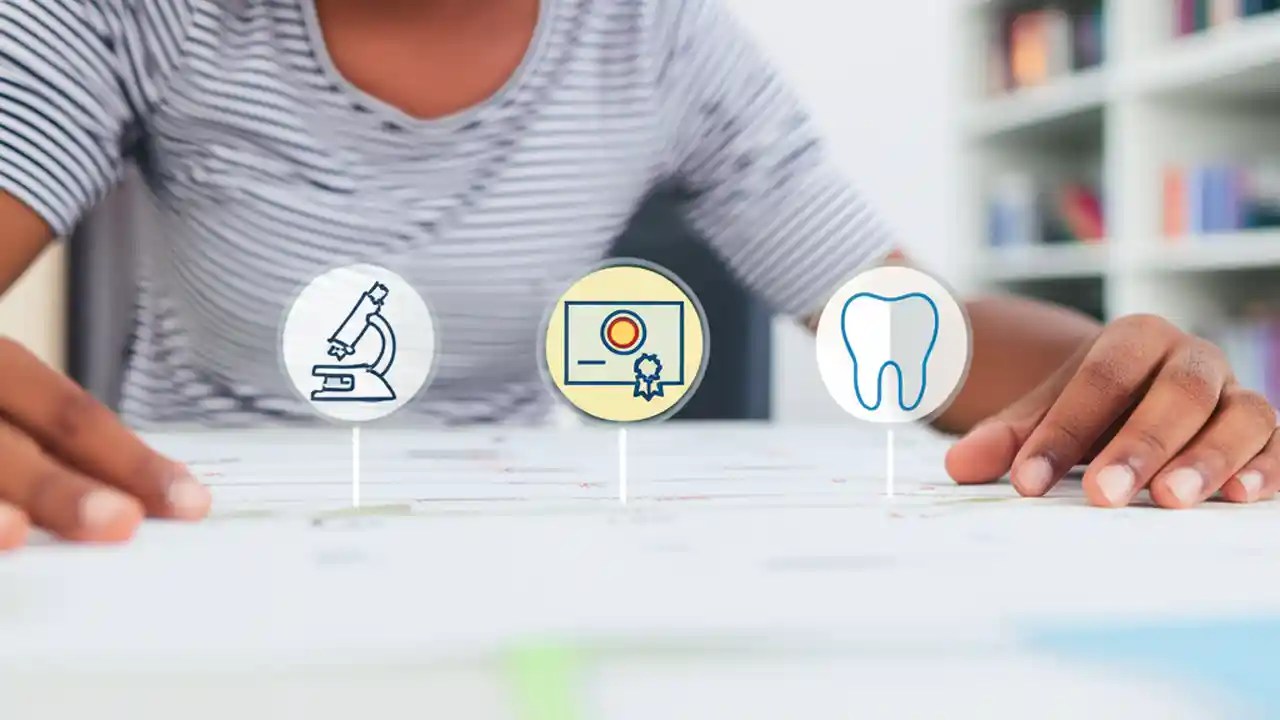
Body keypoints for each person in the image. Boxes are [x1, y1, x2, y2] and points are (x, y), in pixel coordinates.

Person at [0, 0, 1275, 551]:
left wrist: (1104, 378)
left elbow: (906, 329)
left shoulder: (658, 35)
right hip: (200, 523)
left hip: (516, 529)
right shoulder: (132, 15)